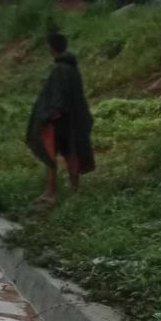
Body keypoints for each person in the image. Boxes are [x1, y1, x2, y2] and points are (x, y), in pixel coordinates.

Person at [26, 32, 95, 204]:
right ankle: (75, 190)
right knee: (71, 154)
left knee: (50, 157)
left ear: (51, 48)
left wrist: (47, 117)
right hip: (73, 120)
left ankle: (50, 192)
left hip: (59, 122)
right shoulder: (72, 68)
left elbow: (57, 98)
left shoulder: (59, 70)